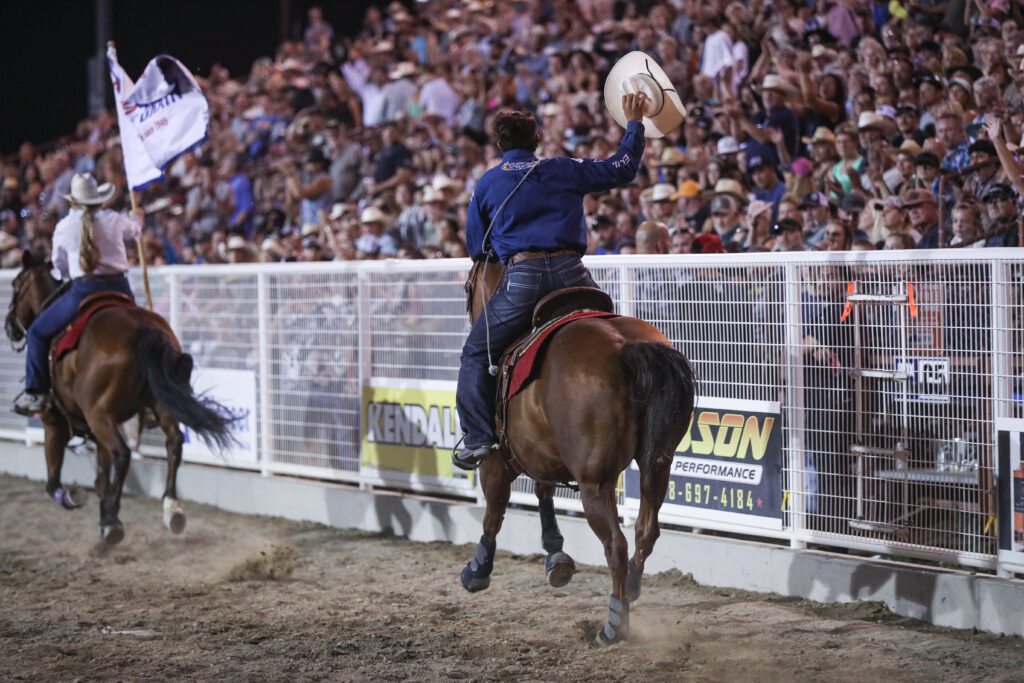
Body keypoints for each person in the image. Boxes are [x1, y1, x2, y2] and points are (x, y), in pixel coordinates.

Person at [453, 93, 648, 470]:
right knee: (616, 339)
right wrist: (635, 122)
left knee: (475, 353)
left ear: (499, 144)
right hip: (573, 273)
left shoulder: (488, 183)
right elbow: (622, 167)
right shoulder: (563, 167)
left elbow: (478, 247)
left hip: (523, 279)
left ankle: (478, 438)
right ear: (536, 139)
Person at [14, 173, 142, 415]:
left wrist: (66, 275)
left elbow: (59, 267)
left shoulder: (64, 227)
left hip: (84, 290)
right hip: (120, 288)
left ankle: (37, 393)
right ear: (97, 199)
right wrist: (137, 217)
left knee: (37, 333)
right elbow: (135, 231)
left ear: (73, 201)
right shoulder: (114, 219)